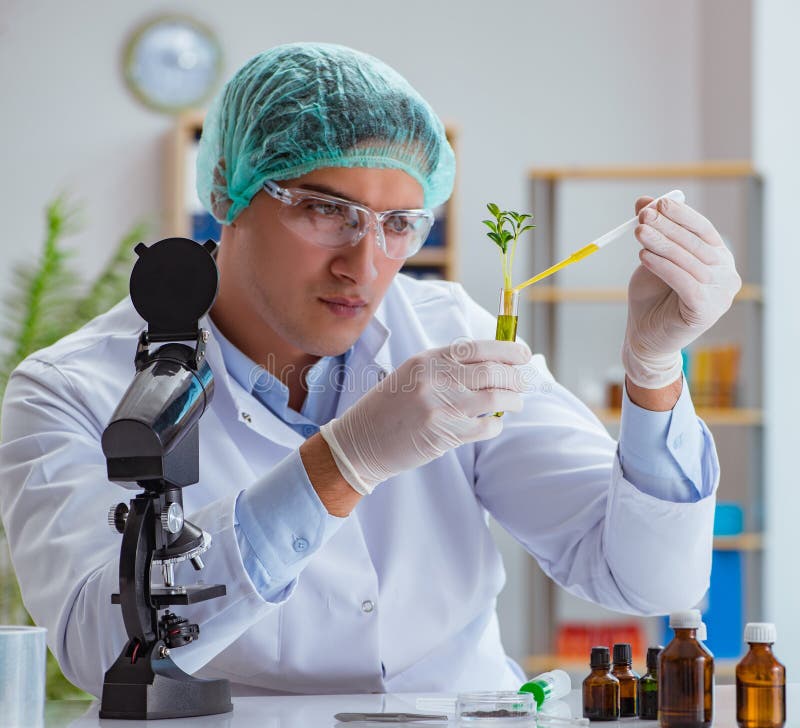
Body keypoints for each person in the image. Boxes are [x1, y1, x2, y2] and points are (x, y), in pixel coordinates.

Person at [0, 43, 740, 697]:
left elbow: (649, 581)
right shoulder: (71, 390)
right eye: (327, 209)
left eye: (398, 224)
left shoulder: (449, 333)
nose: (366, 262)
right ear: (229, 193)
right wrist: (339, 464)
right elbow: (99, 649)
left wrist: (652, 372)